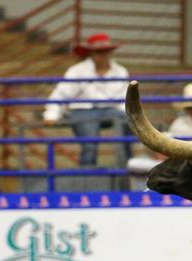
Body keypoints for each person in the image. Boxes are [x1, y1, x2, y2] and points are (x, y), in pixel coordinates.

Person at [42, 33, 132, 176]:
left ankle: (127, 172)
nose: (103, 55)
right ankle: (86, 179)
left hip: (111, 111)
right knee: (90, 144)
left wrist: (127, 116)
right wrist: (51, 114)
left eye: (105, 51)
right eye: (99, 52)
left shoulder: (120, 71)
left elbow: (123, 99)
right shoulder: (77, 71)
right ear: (91, 53)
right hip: (82, 111)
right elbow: (61, 93)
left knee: (126, 131)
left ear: (110, 52)